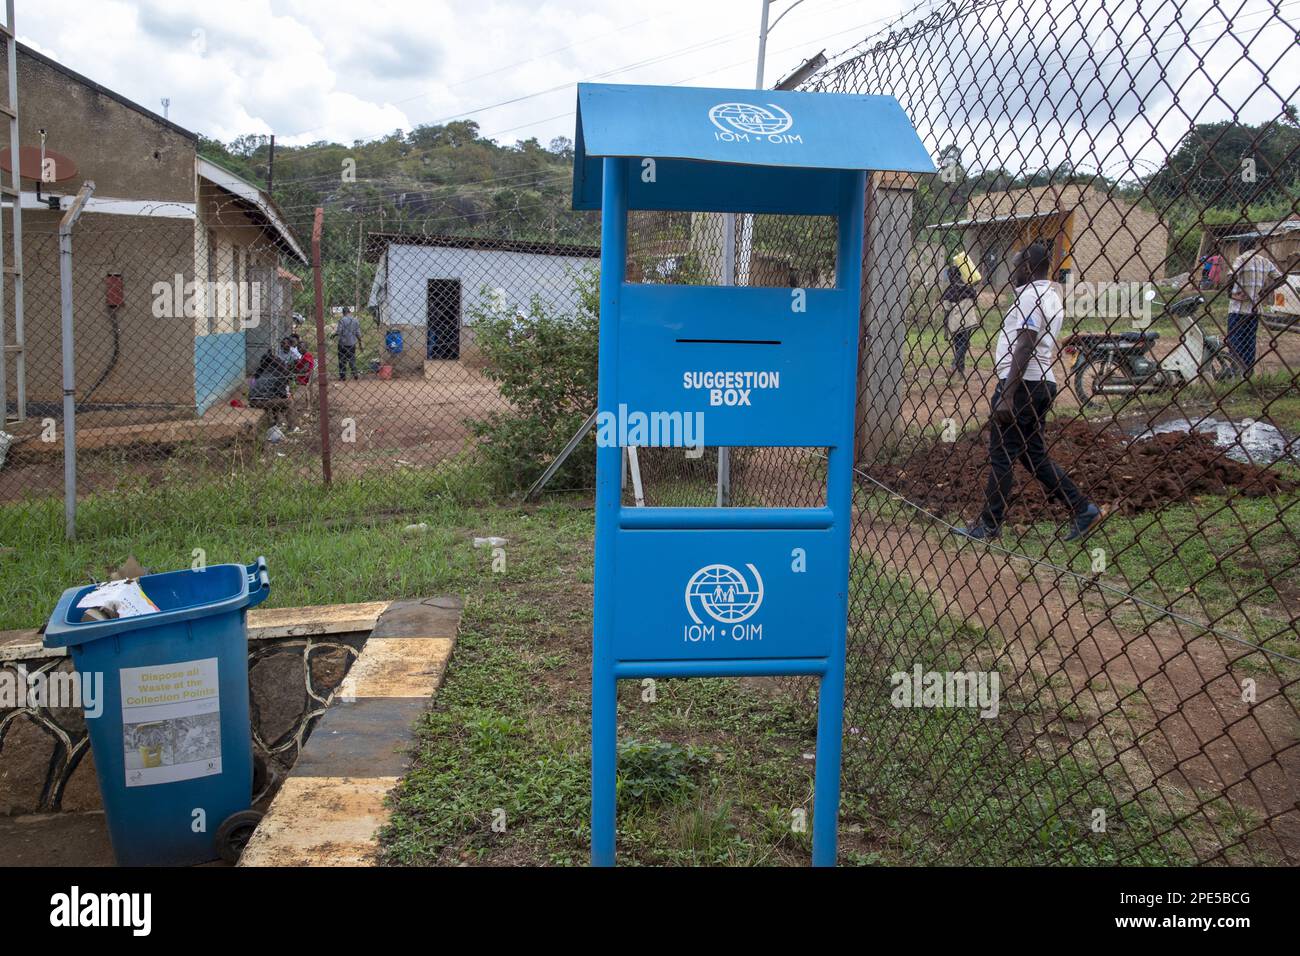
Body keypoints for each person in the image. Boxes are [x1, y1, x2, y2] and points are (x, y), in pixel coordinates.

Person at [954, 241, 1100, 543]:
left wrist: (1007, 393)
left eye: (1018, 264)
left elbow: (1025, 342)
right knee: (1033, 455)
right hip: (1041, 383)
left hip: (1021, 385)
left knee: (1001, 455)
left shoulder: (1031, 296)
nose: (1013, 271)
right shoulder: (1049, 295)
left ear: (1030, 267)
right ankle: (1082, 508)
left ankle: (989, 524)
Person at [1225, 237, 1284, 376]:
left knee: (1234, 341)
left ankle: (1236, 370)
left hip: (1238, 309)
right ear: (1254, 246)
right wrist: (1265, 291)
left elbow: (1231, 276)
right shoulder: (1264, 261)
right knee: (1249, 341)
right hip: (1254, 309)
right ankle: (1248, 370)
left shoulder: (1241, 259)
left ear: (1242, 246)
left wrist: (1230, 294)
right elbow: (1281, 278)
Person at [942, 264, 981, 376]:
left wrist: (946, 329)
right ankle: (955, 365)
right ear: (960, 275)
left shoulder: (949, 291)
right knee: (964, 344)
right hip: (968, 322)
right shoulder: (970, 289)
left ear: (949, 277)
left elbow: (946, 311)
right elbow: (975, 301)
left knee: (958, 345)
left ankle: (960, 371)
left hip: (954, 324)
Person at [248, 348, 297, 429]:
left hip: (252, 401)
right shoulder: (278, 373)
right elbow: (282, 394)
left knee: (275, 399)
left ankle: (276, 423)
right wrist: (287, 394)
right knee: (289, 402)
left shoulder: (257, 373)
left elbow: (251, 386)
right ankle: (292, 427)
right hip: (264, 401)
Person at [334, 307, 361, 380]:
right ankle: (355, 373)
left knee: (342, 360)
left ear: (343, 313)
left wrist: (334, 335)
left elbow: (339, 331)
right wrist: (360, 343)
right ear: (349, 312)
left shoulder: (342, 320)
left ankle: (343, 376)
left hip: (342, 343)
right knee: (352, 359)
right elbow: (358, 333)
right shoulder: (355, 320)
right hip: (352, 343)